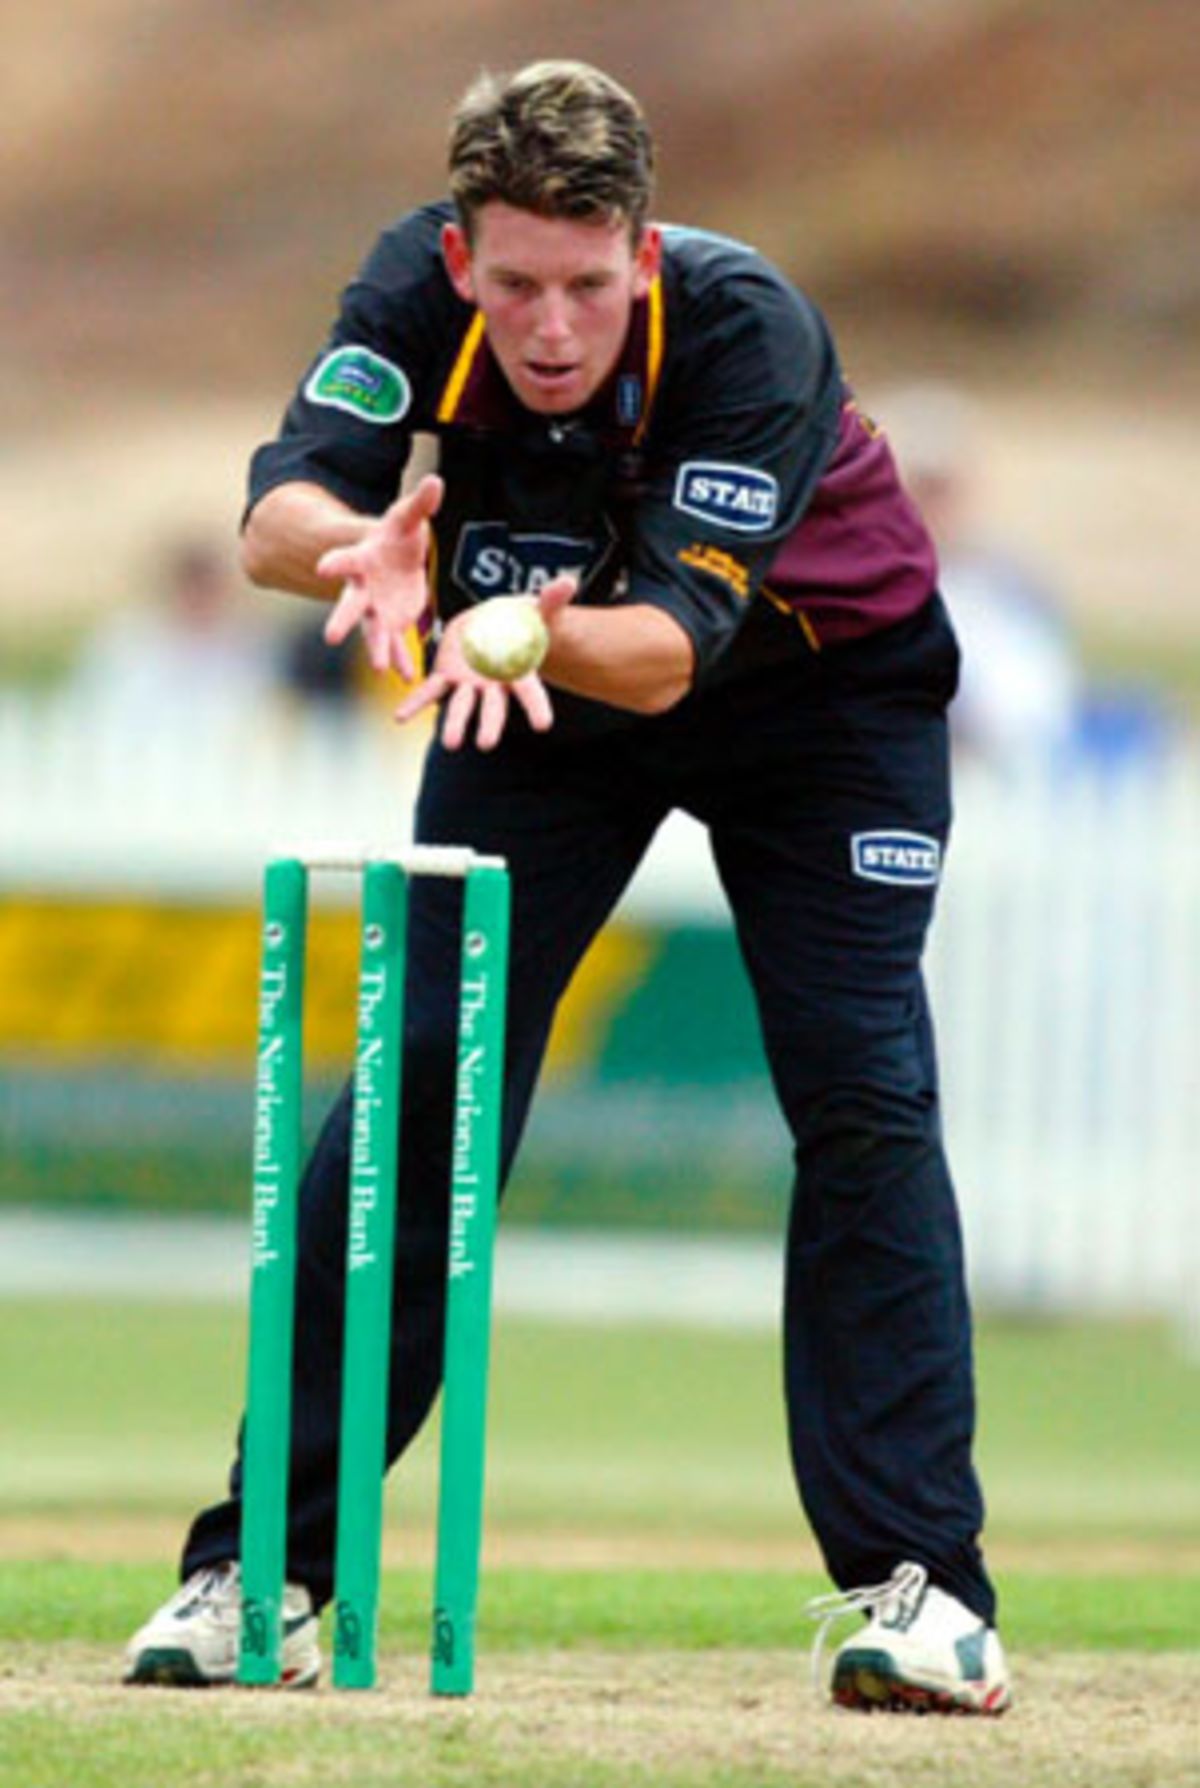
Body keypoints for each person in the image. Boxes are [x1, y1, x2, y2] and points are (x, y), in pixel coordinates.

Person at [124, 61, 1010, 1714]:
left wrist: (494, 613)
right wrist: (359, 552)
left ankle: (924, 1593)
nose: (548, 326)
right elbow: (276, 515)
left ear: (643, 252)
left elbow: (670, 651)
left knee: (863, 1089)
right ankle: (264, 1567)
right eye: (515, 282)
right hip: (534, 692)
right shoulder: (414, 288)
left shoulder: (748, 327)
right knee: (419, 1101)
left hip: (823, 694)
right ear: (462, 258)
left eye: (587, 286)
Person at [880, 381, 1081, 773]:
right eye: (921, 486)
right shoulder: (855, 583)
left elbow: (1040, 703)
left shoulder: (1011, 582)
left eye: (943, 488)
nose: (932, 505)